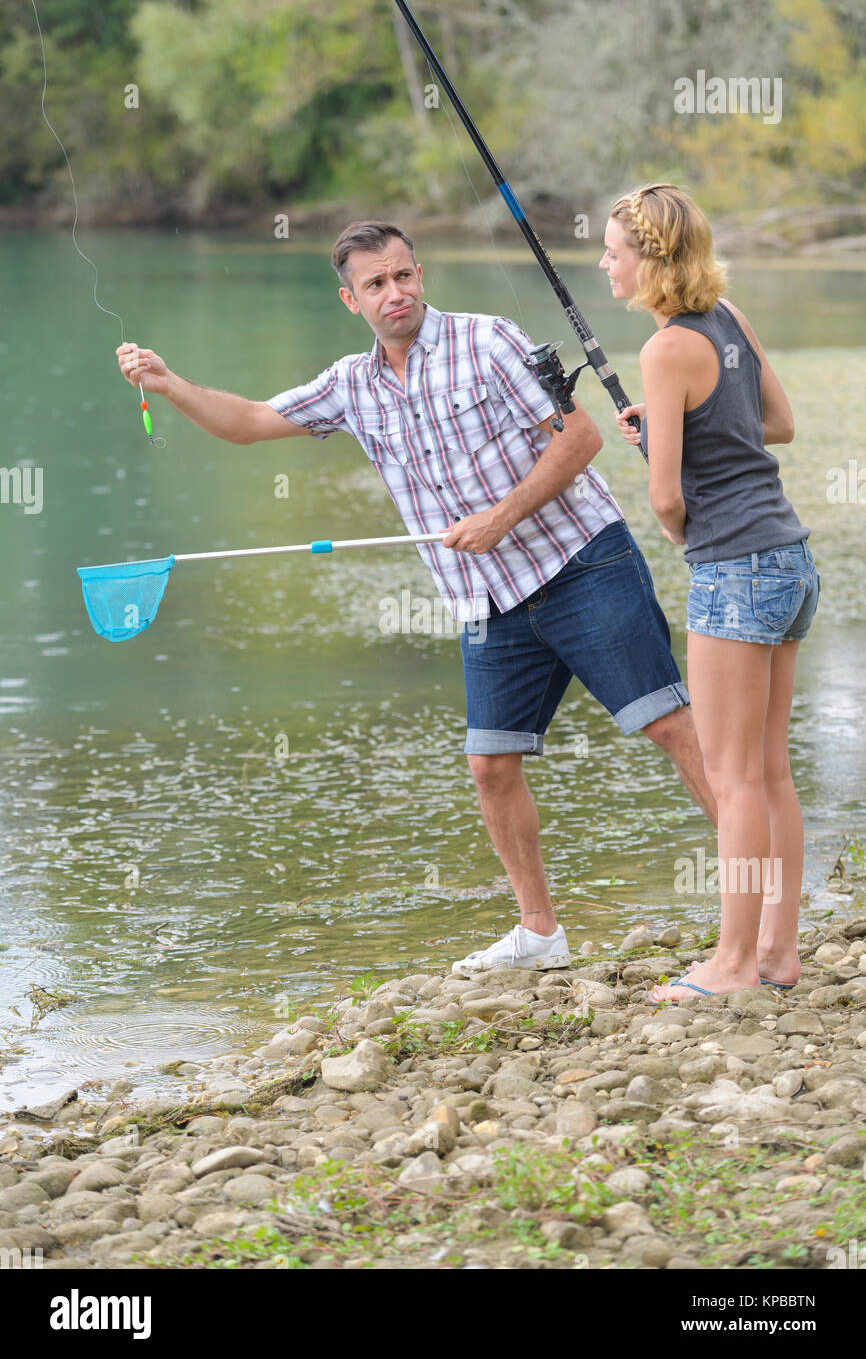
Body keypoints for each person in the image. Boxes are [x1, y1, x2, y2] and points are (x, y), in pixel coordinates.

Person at [116, 219, 716, 974]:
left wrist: (501, 516)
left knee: (670, 727)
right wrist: (170, 385)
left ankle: (762, 900)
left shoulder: (487, 341)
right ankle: (541, 936)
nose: (394, 293)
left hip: (580, 562)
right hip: (488, 601)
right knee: (491, 767)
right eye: (375, 284)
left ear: (420, 275)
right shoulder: (350, 386)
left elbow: (581, 438)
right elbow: (250, 423)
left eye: (403, 276)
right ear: (350, 300)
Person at [600, 184, 819, 1001]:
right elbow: (778, 422)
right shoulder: (728, 319)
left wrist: (686, 533)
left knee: (731, 780)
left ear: (651, 259)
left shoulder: (664, 352)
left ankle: (730, 965)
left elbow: (664, 499)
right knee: (769, 772)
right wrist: (674, 425)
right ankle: (778, 952)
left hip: (737, 571)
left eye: (616, 251)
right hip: (791, 559)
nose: (604, 261)